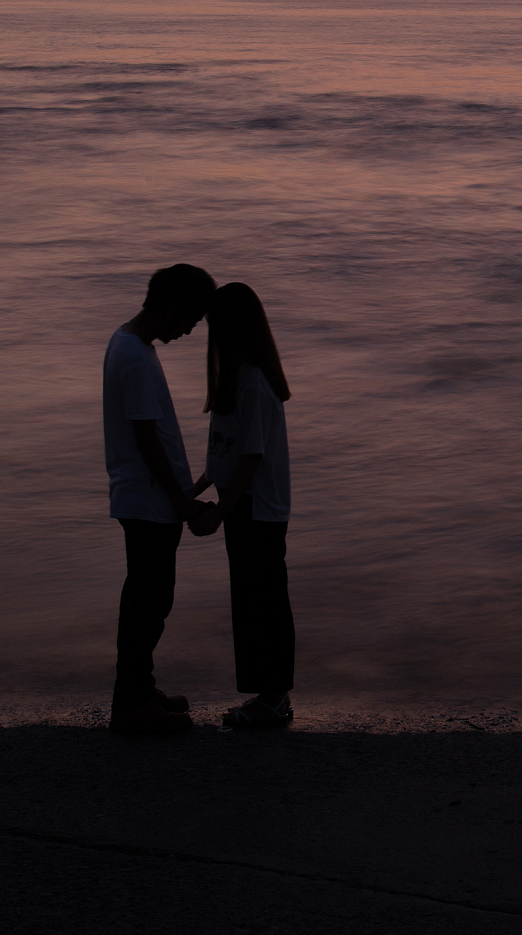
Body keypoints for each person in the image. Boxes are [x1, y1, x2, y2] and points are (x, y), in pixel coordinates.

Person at [103, 262, 220, 735]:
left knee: (148, 597)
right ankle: (130, 705)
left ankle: (139, 689)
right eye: (190, 320)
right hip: (148, 498)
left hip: (147, 497)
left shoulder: (130, 344)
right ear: (172, 307)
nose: (189, 331)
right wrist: (183, 501)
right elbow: (147, 438)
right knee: (147, 602)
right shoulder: (133, 355)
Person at [190, 281, 296, 730]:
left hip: (258, 509)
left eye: (216, 324)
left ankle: (274, 698)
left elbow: (252, 456)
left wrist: (218, 511)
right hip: (242, 505)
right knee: (250, 600)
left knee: (264, 601)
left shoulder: (253, 380)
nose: (211, 334)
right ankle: (266, 695)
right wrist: (194, 489)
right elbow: (225, 451)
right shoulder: (235, 376)